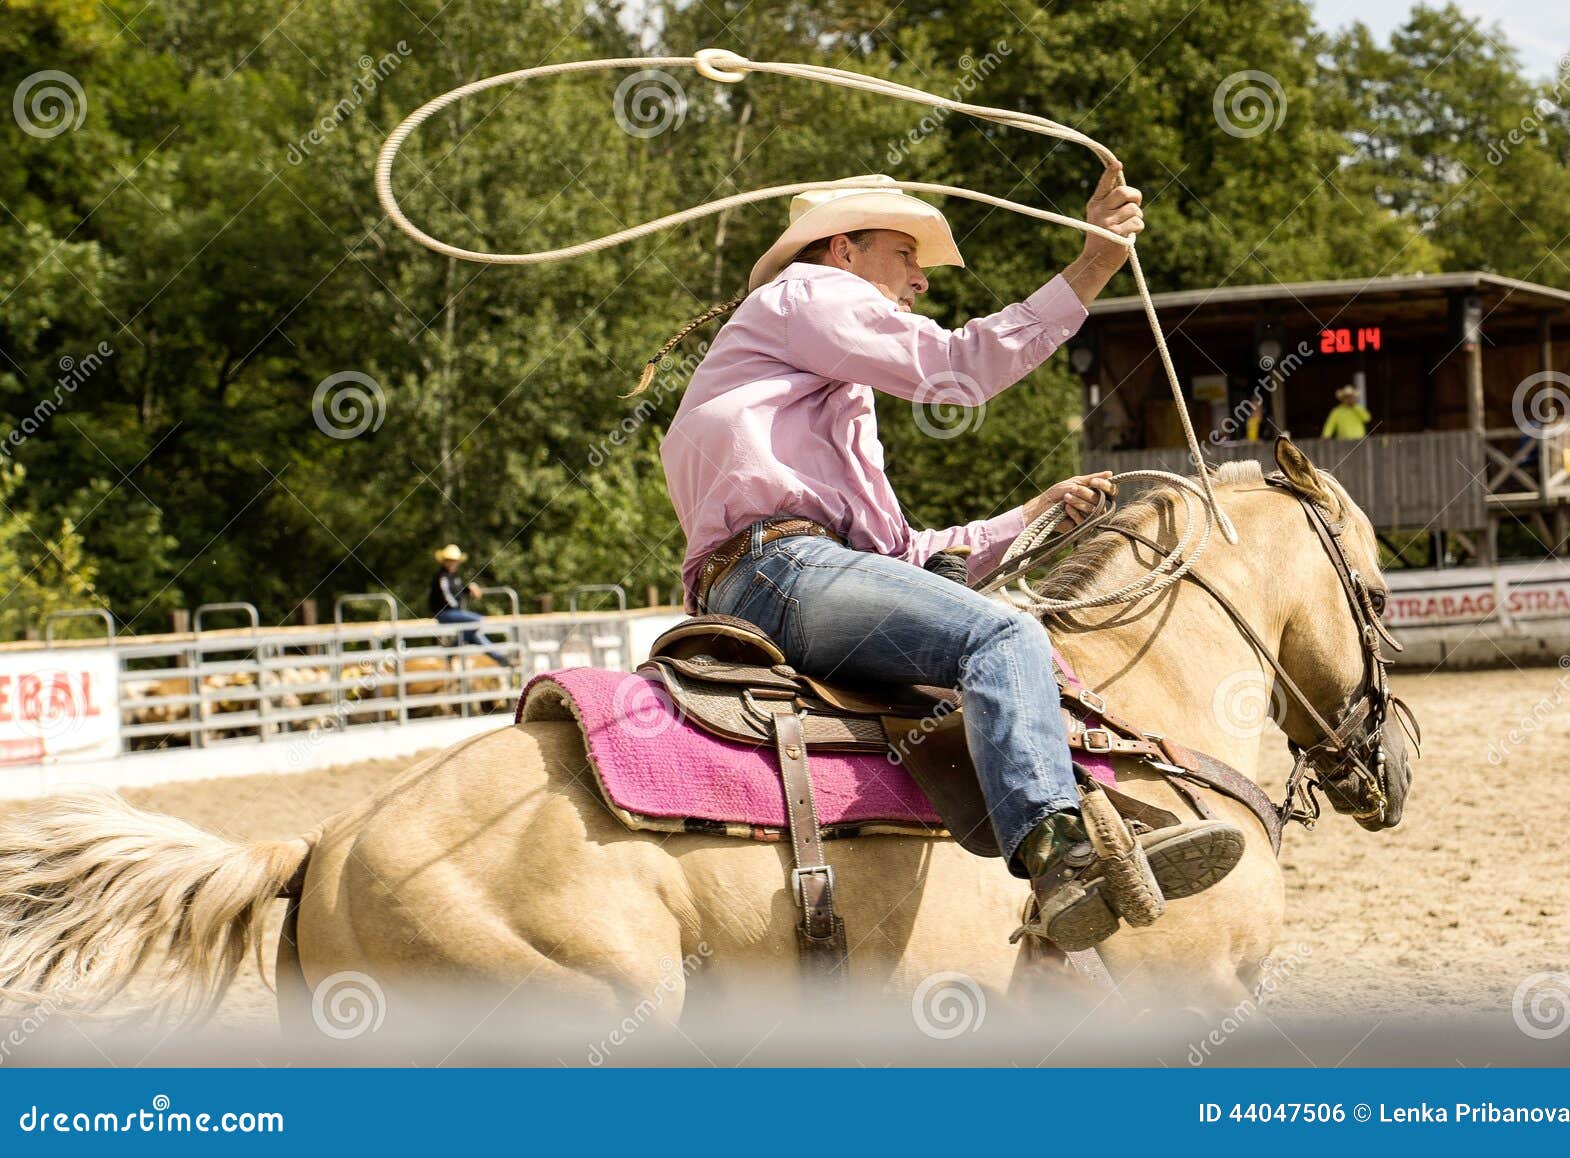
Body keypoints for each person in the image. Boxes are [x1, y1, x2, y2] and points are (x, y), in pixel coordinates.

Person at [645, 170, 1243, 952]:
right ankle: (1060, 859)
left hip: (773, 576)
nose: (923, 277)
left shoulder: (815, 386)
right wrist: (1095, 262)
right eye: (905, 252)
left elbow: (896, 555)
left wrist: (1024, 519)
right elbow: (964, 367)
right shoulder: (808, 293)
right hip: (780, 574)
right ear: (842, 250)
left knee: (989, 652)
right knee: (1004, 641)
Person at [427, 544, 511, 667]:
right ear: (445, 561)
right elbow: (447, 596)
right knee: (477, 621)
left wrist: (470, 588)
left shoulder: (454, 576)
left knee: (474, 634)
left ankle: (499, 658)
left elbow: (460, 590)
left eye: (455, 561)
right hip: (444, 613)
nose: (453, 563)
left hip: (453, 612)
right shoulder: (442, 577)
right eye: (450, 560)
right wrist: (457, 607)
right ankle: (451, 650)